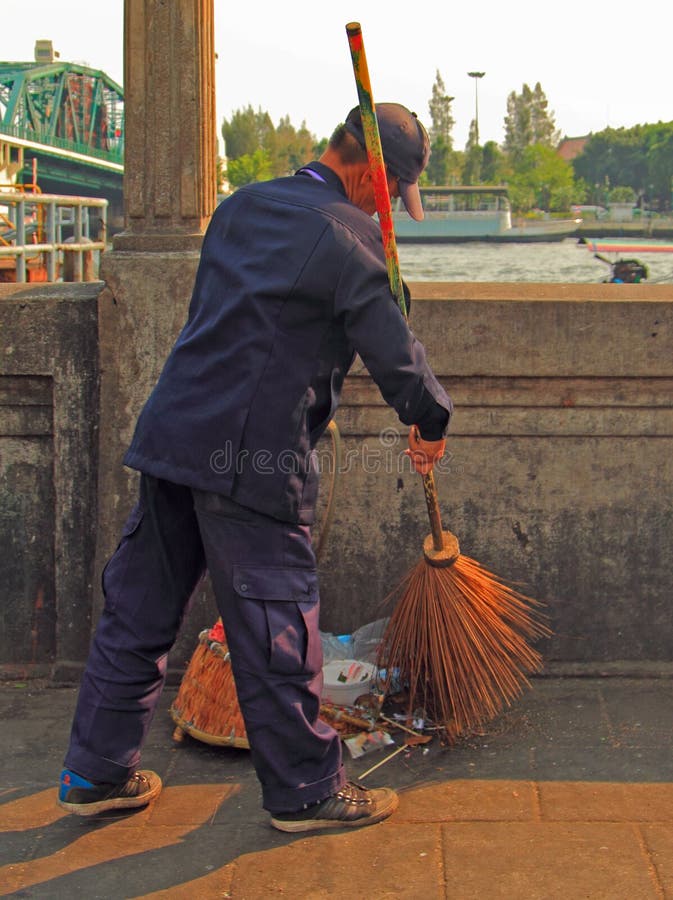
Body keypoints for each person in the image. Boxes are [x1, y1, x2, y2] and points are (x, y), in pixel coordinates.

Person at [57, 102, 452, 832]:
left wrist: (378, 272)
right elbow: (392, 349)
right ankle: (307, 792)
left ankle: (95, 771)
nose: (387, 206)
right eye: (389, 190)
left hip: (174, 433)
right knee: (277, 623)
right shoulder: (348, 235)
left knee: (138, 610)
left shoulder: (242, 206)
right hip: (250, 452)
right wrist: (428, 417)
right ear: (365, 166)